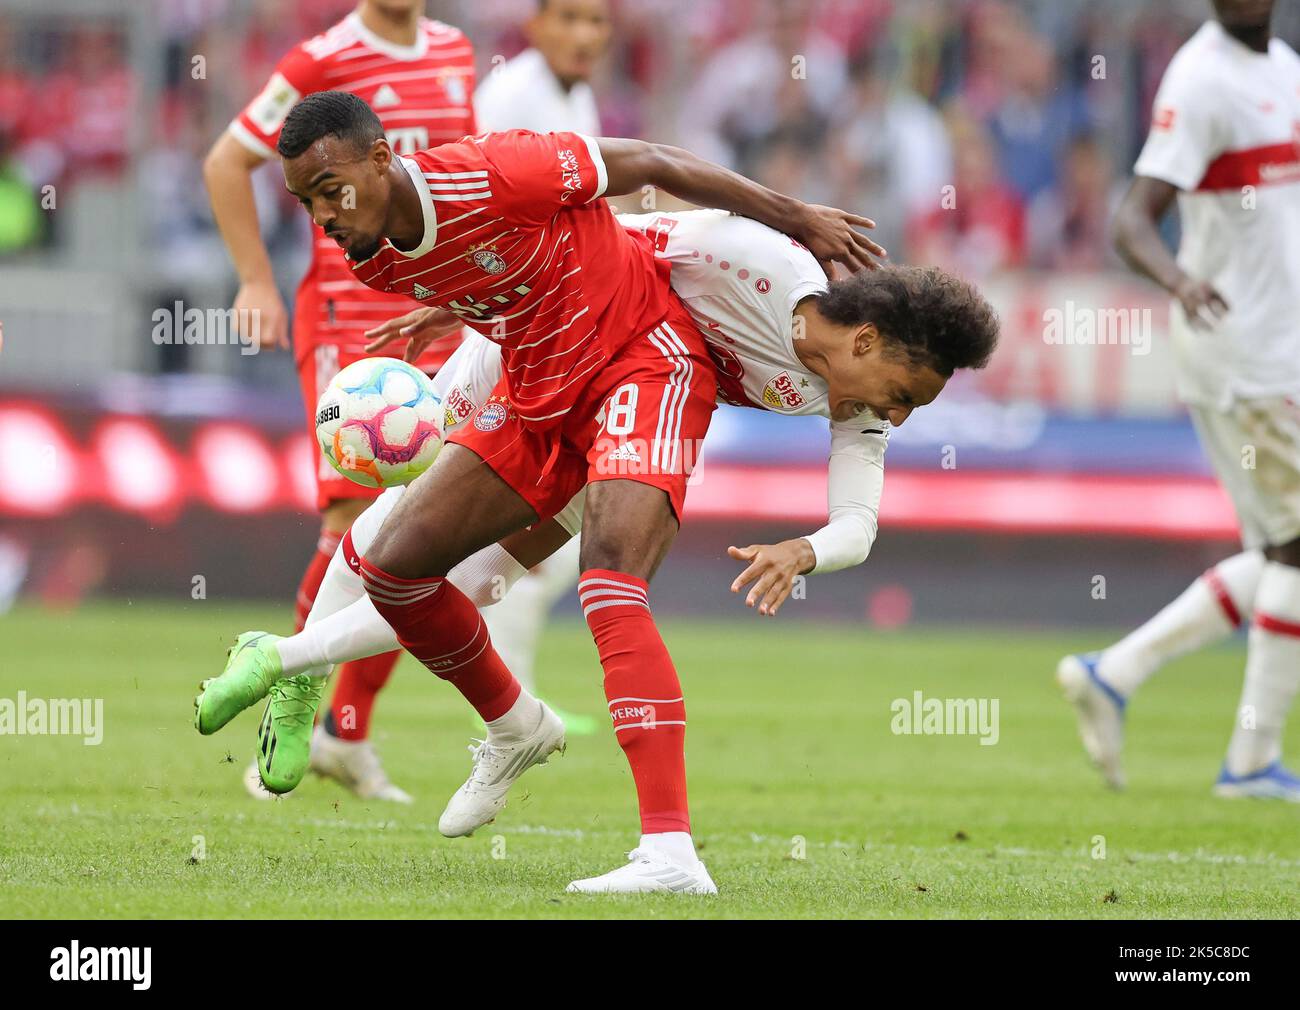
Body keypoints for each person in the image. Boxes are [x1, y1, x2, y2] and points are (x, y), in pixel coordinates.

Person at [194, 88, 886, 894]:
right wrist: (455, 310)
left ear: (381, 159)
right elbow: (518, 266)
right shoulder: (372, 254)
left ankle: (288, 663)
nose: (323, 214)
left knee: (601, 579)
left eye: (331, 190)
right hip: (528, 379)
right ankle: (510, 723)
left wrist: (791, 210)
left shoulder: (498, 171)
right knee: (401, 556)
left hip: (637, 359)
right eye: (306, 201)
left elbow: (652, 173)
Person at [203, 0, 477, 802]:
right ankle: (293, 703)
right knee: (348, 523)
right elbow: (227, 160)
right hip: (349, 322)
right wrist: (256, 278)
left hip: (430, 311)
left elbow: (452, 177)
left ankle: (344, 735)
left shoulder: (456, 52)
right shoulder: (322, 59)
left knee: (423, 535)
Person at [1058, 0, 1300, 801]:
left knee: (1283, 552)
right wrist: (1179, 280)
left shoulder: (1283, 70)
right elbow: (1132, 219)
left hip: (1279, 354)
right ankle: (1250, 761)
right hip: (1244, 360)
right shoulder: (1200, 80)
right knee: (1297, 551)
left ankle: (1115, 672)